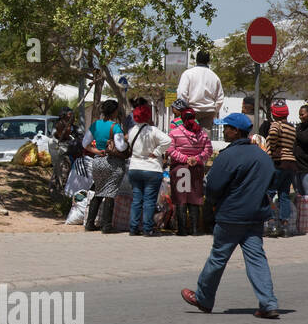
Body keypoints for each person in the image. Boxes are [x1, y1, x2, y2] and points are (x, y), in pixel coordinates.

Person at [181, 113, 280, 319]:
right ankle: (268, 302)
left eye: (226, 127)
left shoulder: (228, 156)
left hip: (231, 216)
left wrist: (214, 203)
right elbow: (273, 185)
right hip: (255, 216)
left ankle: (204, 298)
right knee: (257, 259)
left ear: (236, 131)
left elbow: (214, 187)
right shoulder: (262, 156)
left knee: (218, 258)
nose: (224, 131)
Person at [126, 103, 172, 237]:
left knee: (136, 200)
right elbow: (167, 140)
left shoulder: (132, 130)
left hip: (135, 168)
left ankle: (133, 228)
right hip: (152, 168)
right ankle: (147, 229)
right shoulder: (153, 130)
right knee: (149, 200)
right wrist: (157, 152)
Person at [83, 99, 128, 234]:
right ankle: (107, 225)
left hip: (97, 162)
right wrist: (126, 140)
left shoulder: (95, 125)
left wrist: (97, 151)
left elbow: (85, 143)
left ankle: (90, 223)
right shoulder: (115, 127)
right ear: (114, 112)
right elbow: (120, 147)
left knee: (98, 190)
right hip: (112, 163)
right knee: (110, 193)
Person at [168, 107, 212, 236]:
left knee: (181, 198)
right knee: (194, 197)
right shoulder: (202, 134)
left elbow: (170, 150)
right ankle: (194, 229)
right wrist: (196, 159)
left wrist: (185, 159)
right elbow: (208, 151)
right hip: (196, 169)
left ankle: (182, 229)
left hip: (179, 168)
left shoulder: (175, 133)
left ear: (181, 119)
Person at [265, 102, 298, 235]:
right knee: (284, 194)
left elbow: (272, 134)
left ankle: (272, 223)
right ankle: (284, 226)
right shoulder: (291, 127)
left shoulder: (276, 125)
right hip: (291, 163)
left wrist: (272, 148)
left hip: (278, 162)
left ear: (274, 114)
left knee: (268, 193)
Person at [176, 51, 224, 132]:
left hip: (191, 110)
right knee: (204, 139)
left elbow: (181, 93)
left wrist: (184, 109)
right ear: (208, 61)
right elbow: (220, 98)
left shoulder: (188, 73)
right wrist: (214, 111)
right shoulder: (214, 76)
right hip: (208, 111)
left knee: (189, 137)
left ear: (196, 60)